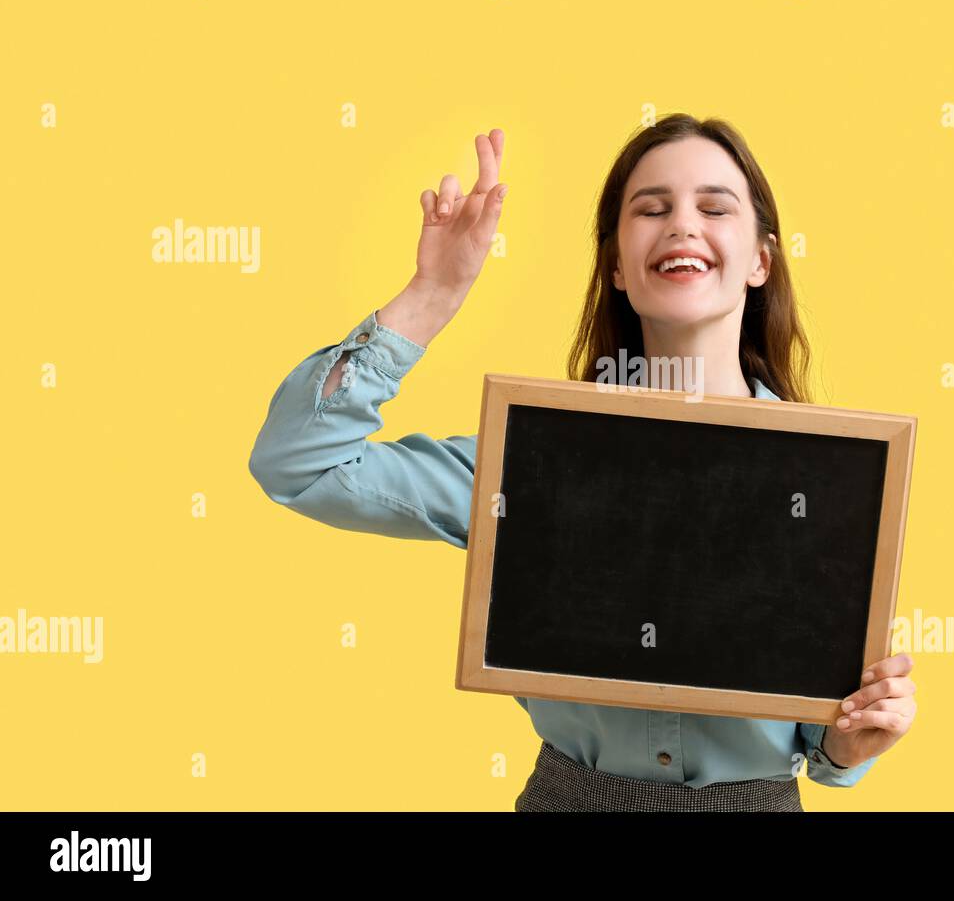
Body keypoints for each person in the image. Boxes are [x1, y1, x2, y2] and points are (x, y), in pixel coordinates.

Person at [248, 115, 917, 811]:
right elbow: (299, 464)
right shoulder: (528, 462)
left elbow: (823, 746)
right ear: (617, 267)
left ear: (760, 261)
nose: (683, 226)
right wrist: (431, 295)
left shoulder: (829, 478)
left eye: (714, 207)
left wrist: (853, 740)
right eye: (652, 209)